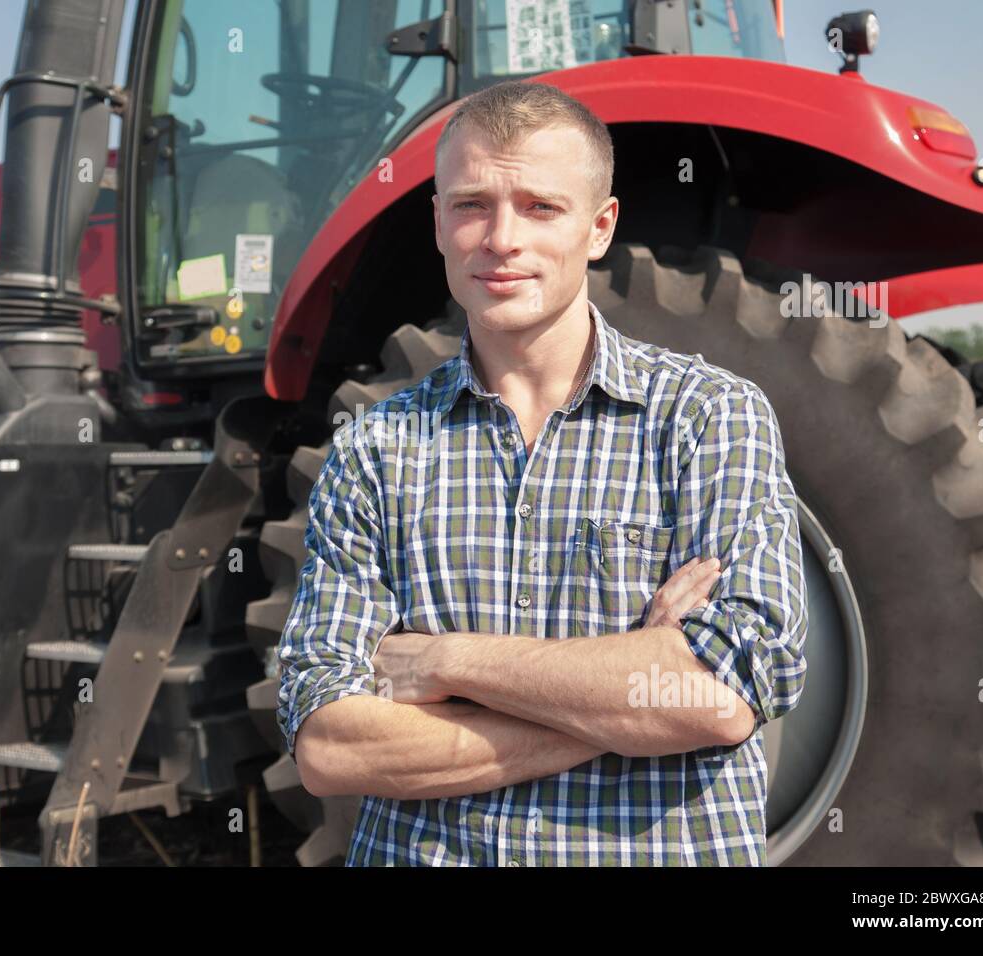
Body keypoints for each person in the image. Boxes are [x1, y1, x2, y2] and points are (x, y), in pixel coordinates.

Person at [275, 80, 808, 866]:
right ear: (436, 223)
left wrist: (444, 660)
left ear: (599, 228)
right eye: (470, 206)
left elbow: (723, 693)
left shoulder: (710, 418)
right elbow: (329, 747)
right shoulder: (373, 450)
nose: (501, 239)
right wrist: (625, 696)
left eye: (541, 208)